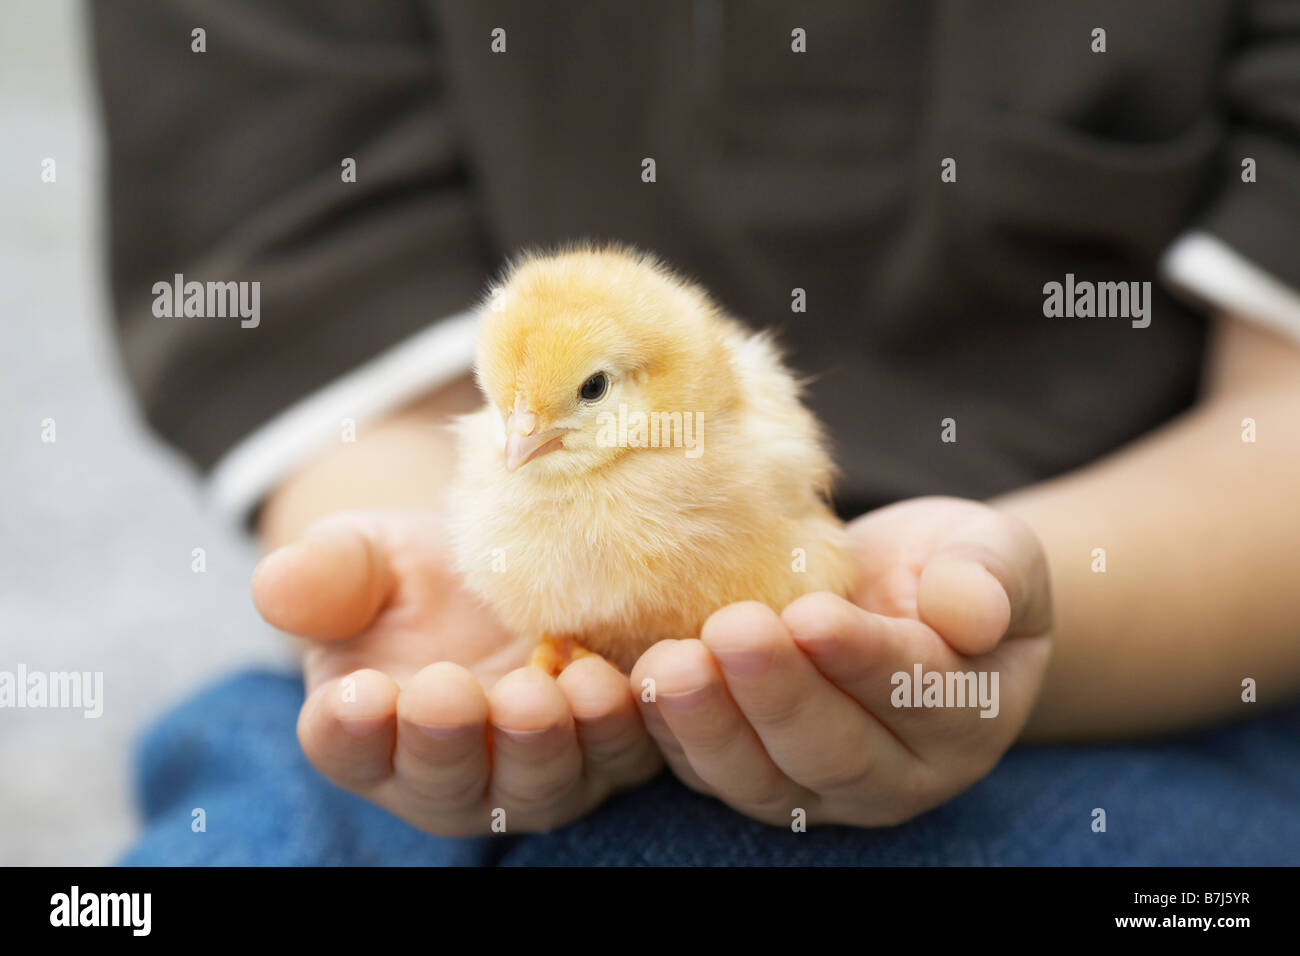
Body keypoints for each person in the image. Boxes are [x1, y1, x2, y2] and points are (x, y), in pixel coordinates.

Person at [93, 1, 1300, 864]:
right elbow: (336, 321)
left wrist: (968, 622)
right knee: (246, 824)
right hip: (464, 711)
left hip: (1159, 654)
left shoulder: (727, 438)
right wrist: (414, 583)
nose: (513, 443)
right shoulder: (521, 429)